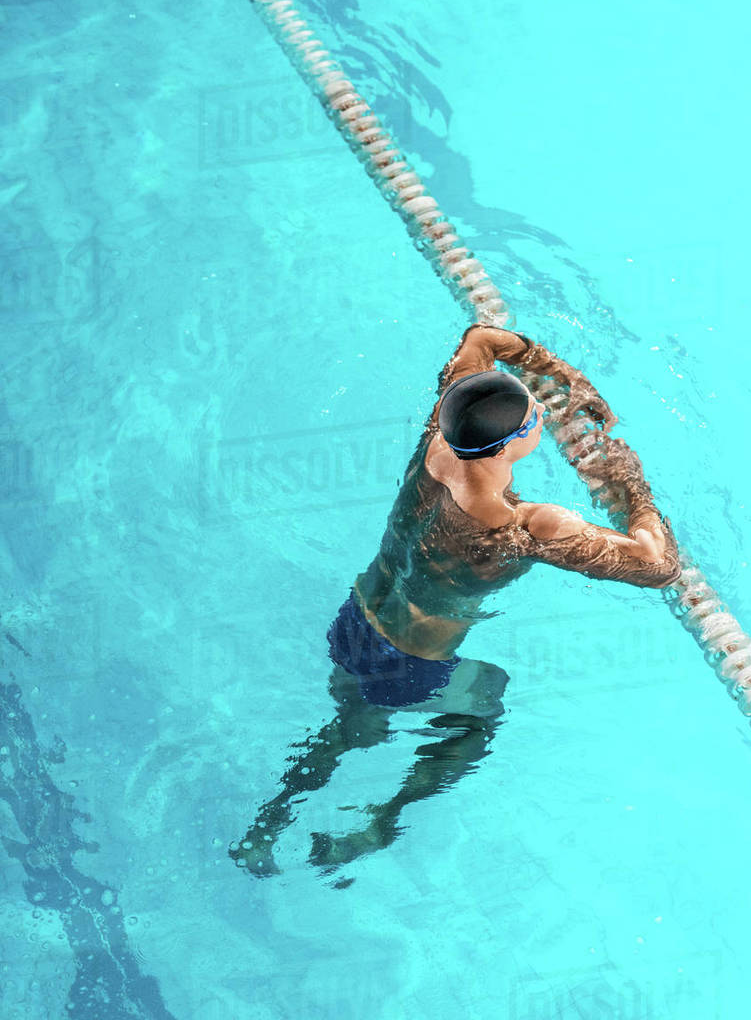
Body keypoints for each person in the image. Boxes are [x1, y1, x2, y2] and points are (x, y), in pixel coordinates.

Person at [230, 324, 680, 881]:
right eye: (535, 413)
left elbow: (480, 339)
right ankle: (383, 821)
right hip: (409, 666)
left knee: (349, 724)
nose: (540, 410)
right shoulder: (525, 525)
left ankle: (265, 828)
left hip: (355, 621)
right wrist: (632, 485)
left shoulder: (437, 438)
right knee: (483, 709)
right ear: (515, 442)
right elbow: (658, 567)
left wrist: (565, 375)